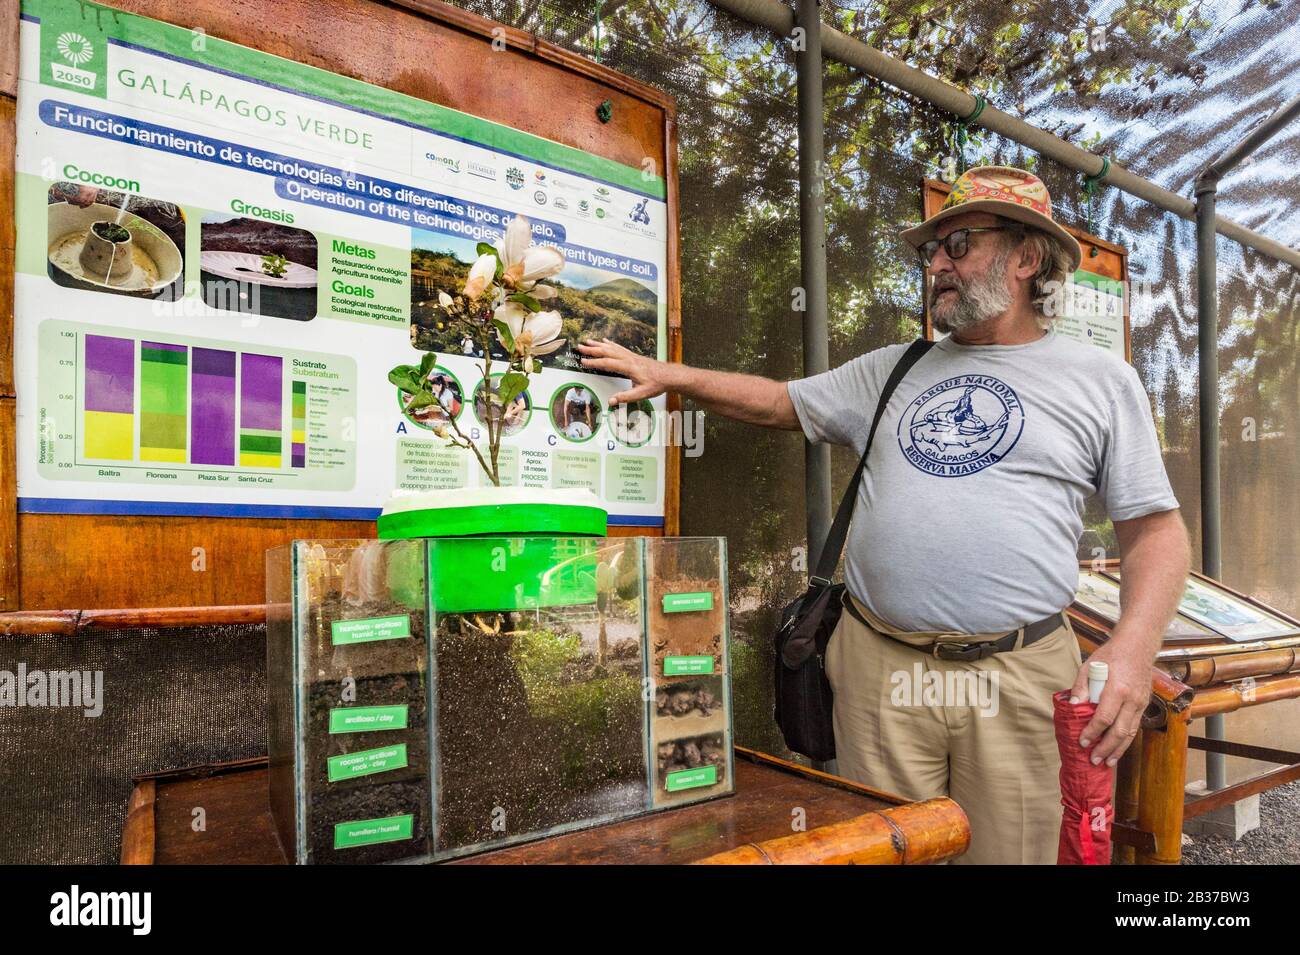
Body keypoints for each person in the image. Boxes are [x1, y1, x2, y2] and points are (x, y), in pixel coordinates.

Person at [578, 165, 1191, 864]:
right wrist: (671, 375)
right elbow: (782, 400)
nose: (936, 264)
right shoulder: (895, 367)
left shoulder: (1100, 380)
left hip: (1020, 676)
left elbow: (1158, 532)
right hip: (878, 669)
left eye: (957, 244)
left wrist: (1135, 649)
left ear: (1026, 257)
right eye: (931, 251)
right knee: (879, 850)